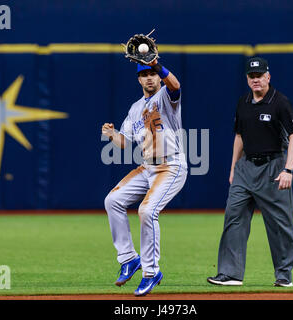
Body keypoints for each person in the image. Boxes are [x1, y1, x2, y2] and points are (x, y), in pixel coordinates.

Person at [207, 57, 293, 287]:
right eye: (252, 76)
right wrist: (233, 168)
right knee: (234, 216)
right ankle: (230, 273)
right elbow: (239, 136)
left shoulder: (280, 102)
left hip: (274, 167)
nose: (256, 79)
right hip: (245, 167)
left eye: (260, 75)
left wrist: (288, 169)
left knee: (279, 224)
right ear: (247, 79)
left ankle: (284, 274)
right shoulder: (243, 102)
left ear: (268, 77)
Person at [102, 59, 187, 296]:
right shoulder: (134, 108)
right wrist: (111, 135)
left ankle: (151, 273)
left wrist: (157, 64)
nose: (149, 77)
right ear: (139, 79)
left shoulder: (165, 98)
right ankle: (129, 259)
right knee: (112, 201)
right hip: (147, 167)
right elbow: (124, 143)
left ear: (158, 77)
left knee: (147, 211)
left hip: (171, 165)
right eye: (144, 74)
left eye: (152, 74)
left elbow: (176, 85)